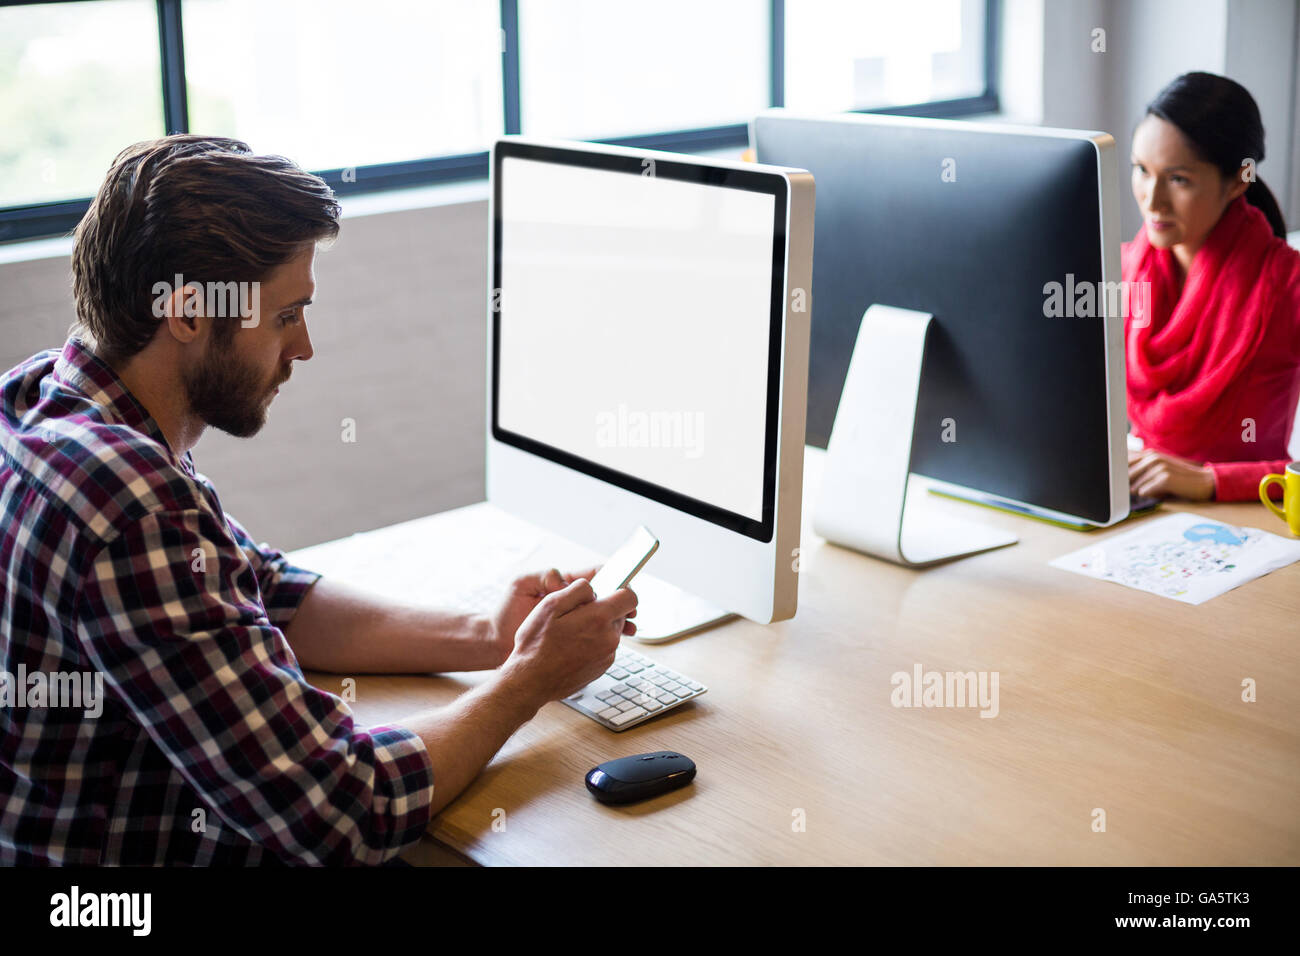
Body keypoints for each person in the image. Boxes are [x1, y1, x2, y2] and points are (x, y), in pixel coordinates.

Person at [0, 134, 636, 865]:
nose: (302, 348)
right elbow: (344, 811)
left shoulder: (46, 400)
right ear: (186, 313)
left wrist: (489, 635)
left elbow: (264, 591)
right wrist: (530, 679)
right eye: (284, 315)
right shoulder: (129, 500)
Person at [1125, 71, 1300, 502]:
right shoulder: (1127, 267)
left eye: (1178, 179)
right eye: (1142, 171)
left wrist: (1211, 480)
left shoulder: (1286, 286)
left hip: (1254, 524)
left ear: (1239, 180)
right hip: (1143, 511)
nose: (1152, 199)